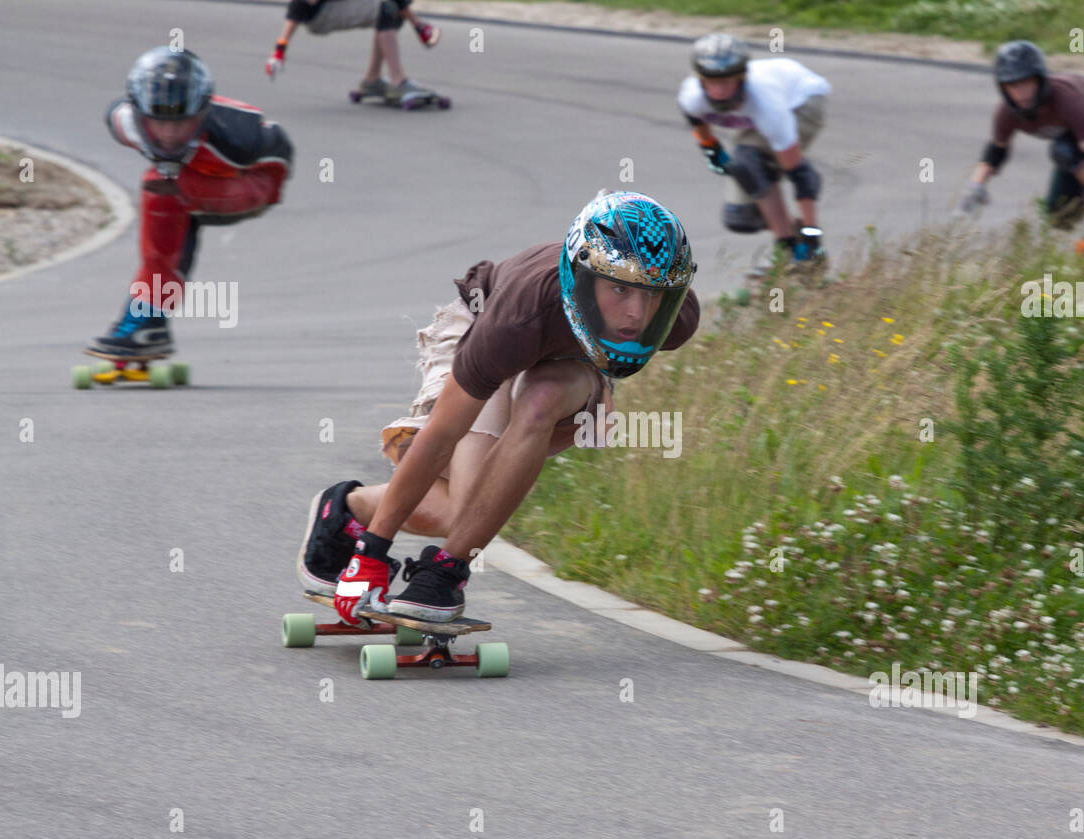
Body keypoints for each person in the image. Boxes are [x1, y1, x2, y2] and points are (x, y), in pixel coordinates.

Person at [296, 191, 701, 624]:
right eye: (619, 288)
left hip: (565, 360)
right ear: (583, 276)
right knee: (461, 508)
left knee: (537, 407)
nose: (636, 313)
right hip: (487, 322)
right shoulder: (516, 320)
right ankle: (345, 509)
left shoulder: (675, 320)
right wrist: (373, 552)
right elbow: (440, 437)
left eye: (653, 294)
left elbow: (625, 327)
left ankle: (445, 573)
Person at [93, 48, 292, 359]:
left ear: (201, 116)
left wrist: (242, 188)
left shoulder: (237, 139)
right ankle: (149, 325)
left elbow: (279, 152)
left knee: (162, 187)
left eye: (181, 124)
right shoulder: (122, 122)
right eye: (158, 123)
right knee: (172, 222)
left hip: (255, 181)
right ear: (138, 116)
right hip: (192, 182)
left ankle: (144, 320)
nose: (170, 135)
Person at [678, 33, 831, 266]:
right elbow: (695, 120)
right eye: (711, 82)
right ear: (700, 79)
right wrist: (711, 148)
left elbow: (800, 175)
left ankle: (799, 249)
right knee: (741, 217)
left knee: (748, 163)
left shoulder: (767, 104)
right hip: (756, 120)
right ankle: (795, 245)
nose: (718, 91)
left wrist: (813, 236)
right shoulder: (692, 97)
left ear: (741, 78)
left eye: (726, 82)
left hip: (802, 101)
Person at [957, 40, 1084, 229]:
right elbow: (997, 150)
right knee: (1059, 213)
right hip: (1074, 136)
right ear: (1003, 87)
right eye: (1013, 85)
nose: (1022, 93)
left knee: (1064, 149)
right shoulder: (1006, 113)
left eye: (1027, 82)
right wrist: (975, 186)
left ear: (1040, 79)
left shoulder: (1065, 99)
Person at [266, 0, 439, 103]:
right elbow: (298, 8)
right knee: (386, 10)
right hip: (320, 16)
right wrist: (279, 51)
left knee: (390, 12)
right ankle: (398, 81)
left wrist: (416, 23)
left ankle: (373, 80)